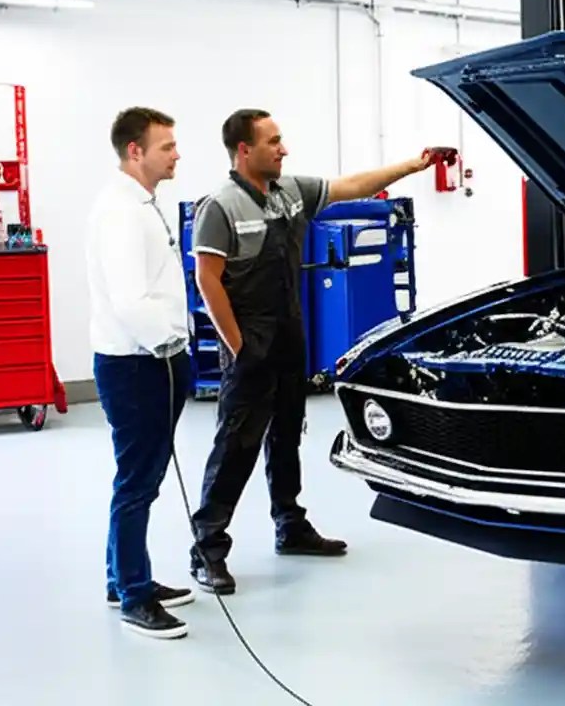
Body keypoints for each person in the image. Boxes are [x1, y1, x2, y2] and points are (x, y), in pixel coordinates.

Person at [187, 108, 451, 594]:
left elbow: (352, 186)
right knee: (236, 446)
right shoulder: (220, 207)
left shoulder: (290, 191)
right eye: (273, 142)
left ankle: (290, 526)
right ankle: (207, 548)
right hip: (248, 342)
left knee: (288, 435)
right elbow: (207, 279)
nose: (283, 149)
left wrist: (412, 167)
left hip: (289, 334)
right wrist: (238, 346)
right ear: (244, 150)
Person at [87, 106, 194, 639]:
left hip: (146, 359)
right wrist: (170, 343)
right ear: (136, 151)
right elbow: (130, 299)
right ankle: (134, 594)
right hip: (140, 364)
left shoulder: (139, 204)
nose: (177, 154)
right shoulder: (122, 212)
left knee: (139, 478)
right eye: (167, 146)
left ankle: (122, 578)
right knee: (138, 481)